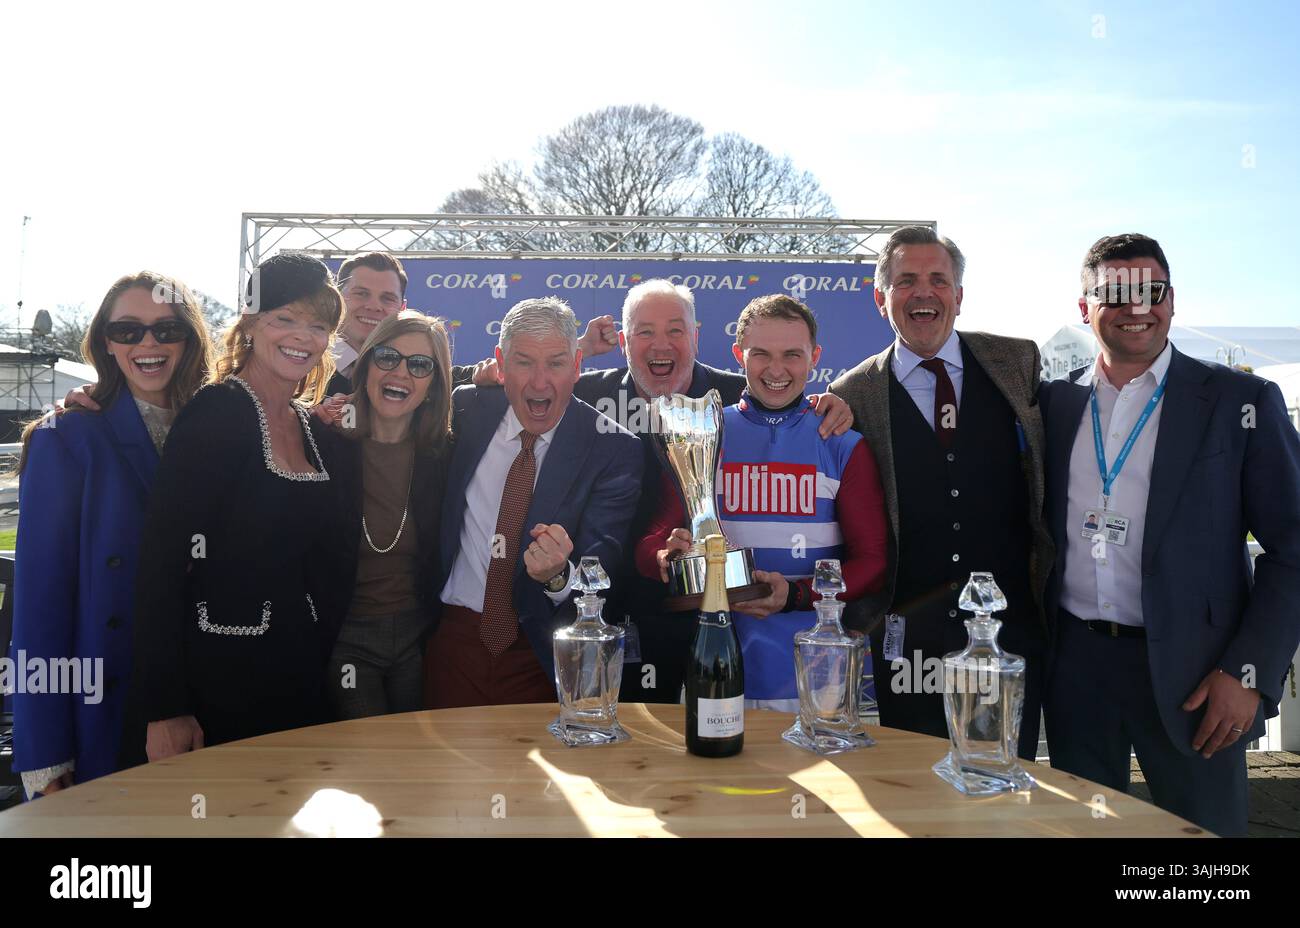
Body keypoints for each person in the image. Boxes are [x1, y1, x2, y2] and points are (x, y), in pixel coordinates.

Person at [1040, 233, 1300, 836]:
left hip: (1201, 677)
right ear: (1084, 308)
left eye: (1151, 291)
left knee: (1202, 848)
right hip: (1076, 669)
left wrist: (1249, 673)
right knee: (1086, 832)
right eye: (1115, 293)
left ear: (1172, 300)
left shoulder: (1241, 400)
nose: (1137, 307)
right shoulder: (1054, 403)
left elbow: (1293, 548)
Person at [829, 226, 1052, 759]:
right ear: (880, 298)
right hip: (907, 641)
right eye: (906, 281)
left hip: (1009, 632)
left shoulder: (1017, 363)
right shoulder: (851, 392)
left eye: (938, 280)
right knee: (913, 787)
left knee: (1001, 789)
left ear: (959, 295)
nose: (923, 293)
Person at [127, 253, 354, 762]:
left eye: (318, 325)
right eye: (285, 319)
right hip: (220, 683)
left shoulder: (309, 426)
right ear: (251, 323)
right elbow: (161, 566)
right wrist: (165, 707)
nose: (303, 336)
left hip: (297, 675)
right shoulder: (218, 413)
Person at [8, 272, 213, 797]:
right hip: (110, 710)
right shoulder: (69, 437)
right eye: (128, 330)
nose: (148, 343)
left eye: (167, 329)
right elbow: (40, 607)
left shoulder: (221, 425)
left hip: (214, 699)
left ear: (189, 338)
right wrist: (46, 756)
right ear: (105, 341)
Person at [636, 294, 888, 710]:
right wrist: (666, 556)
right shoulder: (702, 433)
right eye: (761, 354)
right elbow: (652, 539)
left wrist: (796, 595)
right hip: (716, 662)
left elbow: (874, 563)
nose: (776, 369)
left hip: (817, 674)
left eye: (792, 354)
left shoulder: (842, 441)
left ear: (815, 357)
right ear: (739, 355)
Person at [426, 296, 643, 708]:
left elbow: (601, 568)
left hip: (545, 655)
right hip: (452, 646)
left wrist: (558, 576)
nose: (540, 382)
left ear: (578, 365)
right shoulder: (462, 409)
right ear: (500, 363)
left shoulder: (613, 447)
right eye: (524, 362)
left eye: (556, 363)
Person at [324, 312, 453, 718]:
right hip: (345, 638)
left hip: (419, 638)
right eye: (388, 357)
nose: (401, 372)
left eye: (419, 365)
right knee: (370, 757)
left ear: (433, 386)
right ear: (365, 367)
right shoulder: (324, 441)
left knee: (415, 762)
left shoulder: (445, 454)